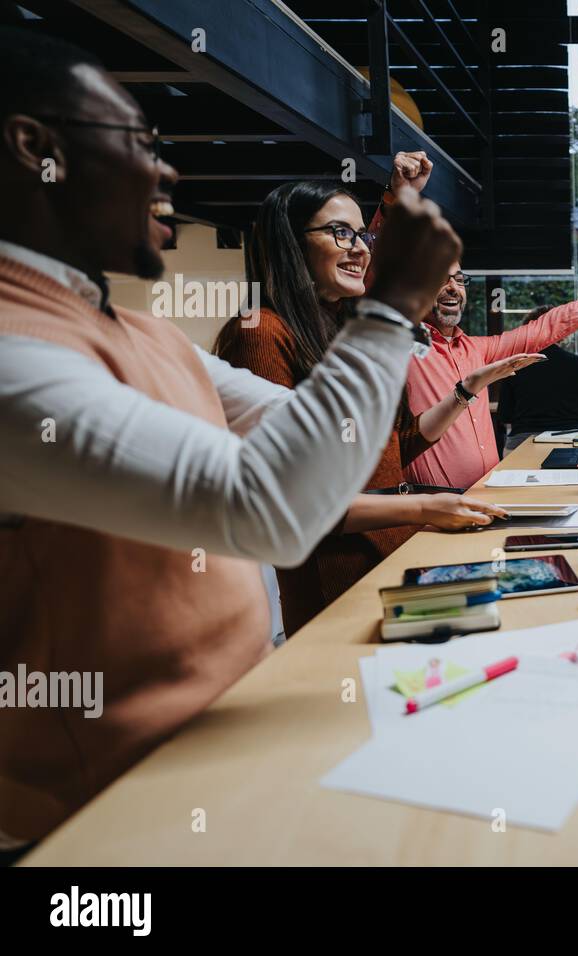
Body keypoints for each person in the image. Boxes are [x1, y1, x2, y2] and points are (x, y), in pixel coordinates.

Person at [0, 27, 462, 848]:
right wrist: (389, 311)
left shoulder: (145, 333)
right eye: (138, 140)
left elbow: (325, 436)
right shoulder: (14, 360)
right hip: (111, 820)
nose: (164, 168)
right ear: (37, 147)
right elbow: (270, 507)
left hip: (234, 737)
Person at [214, 179, 540, 634]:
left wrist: (466, 390)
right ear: (289, 241)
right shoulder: (261, 332)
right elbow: (289, 502)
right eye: (339, 233)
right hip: (336, 579)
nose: (360, 250)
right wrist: (422, 508)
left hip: (397, 557)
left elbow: (398, 446)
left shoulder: (343, 332)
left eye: (362, 236)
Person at [365, 151, 578, 490]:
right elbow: (376, 271)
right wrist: (399, 196)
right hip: (431, 503)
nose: (452, 288)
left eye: (460, 280)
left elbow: (546, 327)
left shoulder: (478, 349)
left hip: (489, 494)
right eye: (439, 278)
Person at [496, 305, 578, 451]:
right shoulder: (577, 364)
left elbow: (505, 415)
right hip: (568, 443)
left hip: (522, 445)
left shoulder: (515, 365)